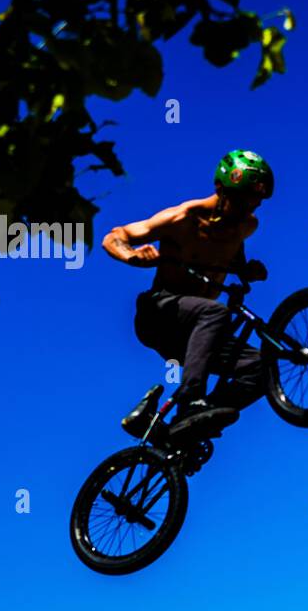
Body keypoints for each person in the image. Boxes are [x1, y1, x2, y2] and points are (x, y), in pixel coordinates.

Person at [101, 150, 274, 441]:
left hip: (198, 332)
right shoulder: (182, 218)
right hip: (159, 314)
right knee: (215, 311)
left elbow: (229, 254)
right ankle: (191, 401)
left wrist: (246, 270)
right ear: (222, 190)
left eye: (256, 201)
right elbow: (114, 237)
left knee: (262, 368)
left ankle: (185, 428)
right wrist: (131, 256)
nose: (250, 208)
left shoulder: (245, 226)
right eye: (244, 199)